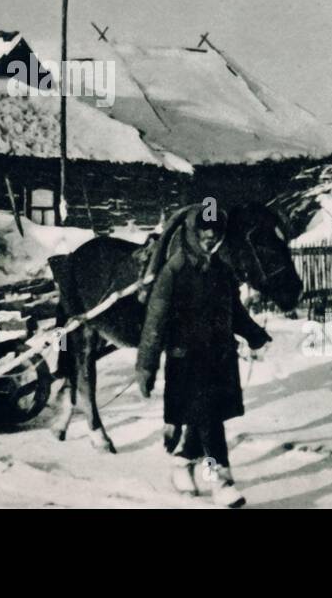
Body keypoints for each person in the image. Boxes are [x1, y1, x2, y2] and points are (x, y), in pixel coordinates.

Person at [135, 206, 271, 508]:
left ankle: (182, 462)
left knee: (206, 419)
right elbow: (154, 324)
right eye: (204, 233)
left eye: (215, 233)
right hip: (186, 362)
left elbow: (235, 312)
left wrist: (256, 336)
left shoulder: (222, 270)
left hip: (220, 360)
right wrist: (146, 367)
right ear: (193, 233)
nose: (210, 238)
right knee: (210, 421)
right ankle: (221, 482)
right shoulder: (174, 271)